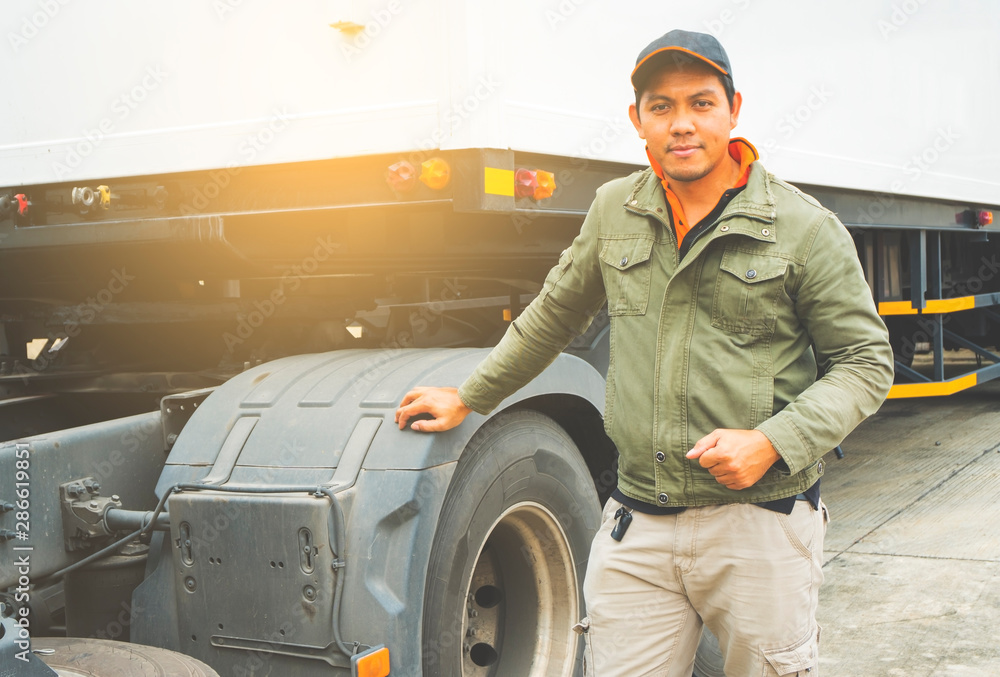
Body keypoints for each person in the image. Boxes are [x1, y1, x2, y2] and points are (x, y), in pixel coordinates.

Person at [395, 29, 893, 677]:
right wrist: (468, 393)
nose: (681, 124)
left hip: (759, 526)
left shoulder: (801, 227)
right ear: (637, 120)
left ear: (733, 110)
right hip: (639, 525)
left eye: (700, 104)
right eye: (661, 107)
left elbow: (865, 362)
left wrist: (773, 440)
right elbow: (550, 317)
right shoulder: (615, 209)